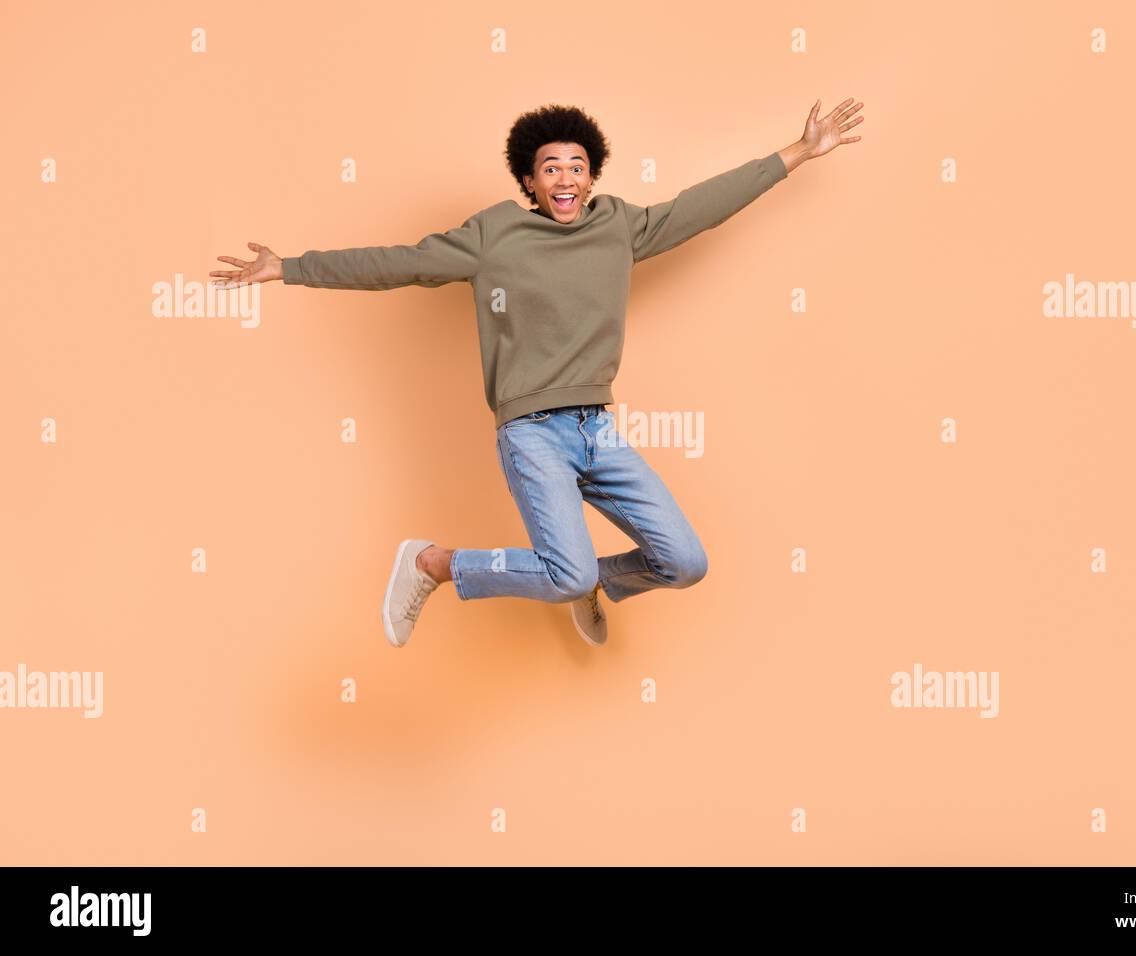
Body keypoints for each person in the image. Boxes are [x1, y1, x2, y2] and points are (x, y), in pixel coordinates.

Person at [210, 98, 863, 650]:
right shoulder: (494, 235)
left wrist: (800, 151)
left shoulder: (619, 227)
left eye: (578, 166)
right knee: (565, 574)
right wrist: (289, 266)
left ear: (591, 175)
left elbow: (704, 205)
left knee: (684, 562)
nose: (566, 176)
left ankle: (595, 582)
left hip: (597, 429)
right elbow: (400, 262)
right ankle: (435, 564)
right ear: (530, 179)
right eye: (551, 166)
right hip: (531, 431)